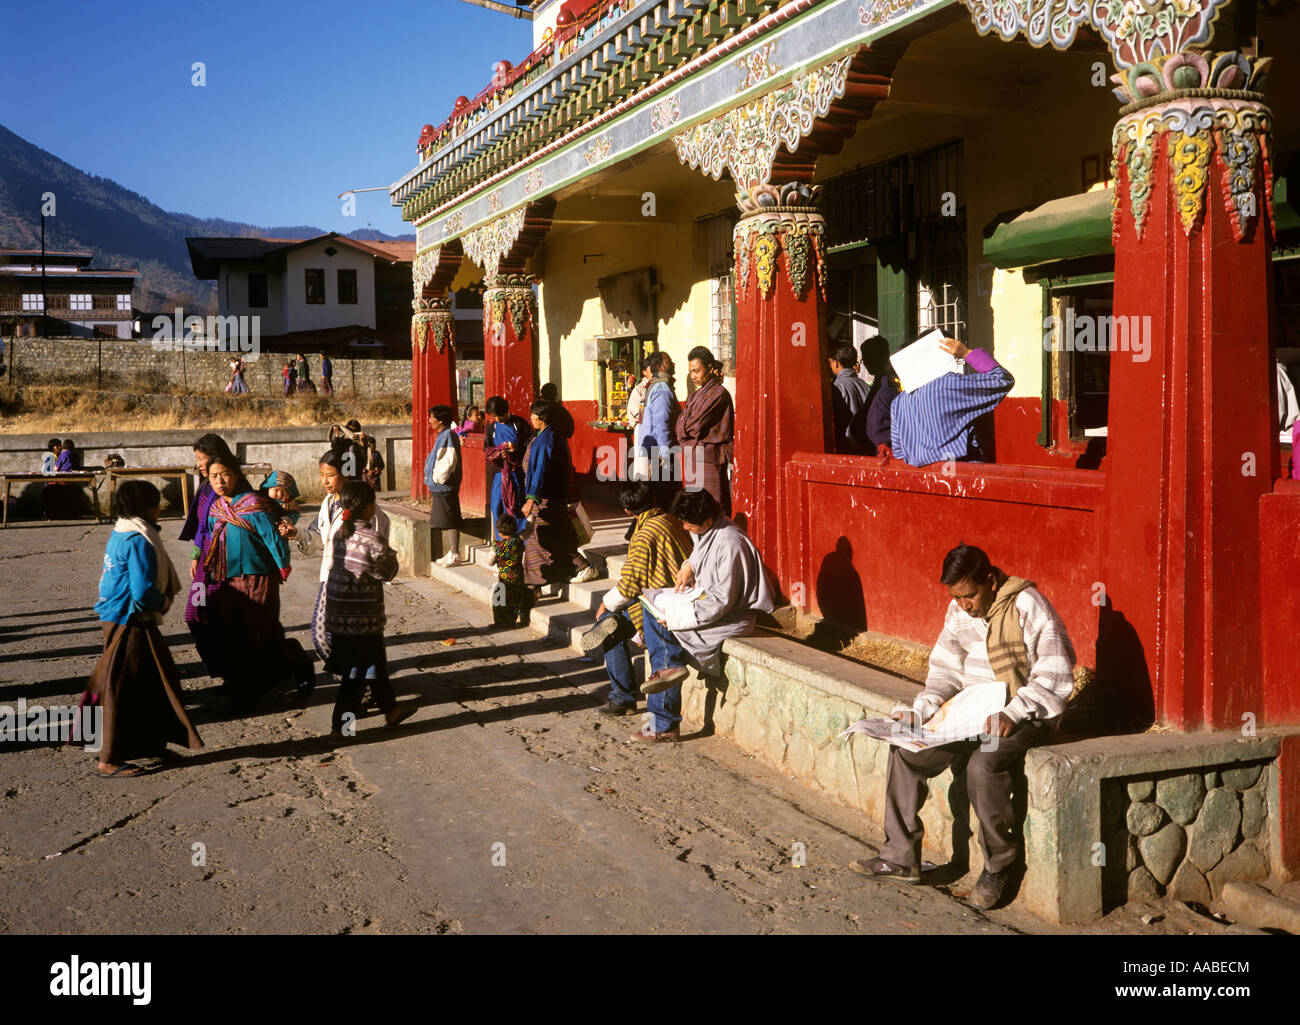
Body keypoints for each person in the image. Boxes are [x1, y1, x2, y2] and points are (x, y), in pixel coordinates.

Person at [856, 543, 1076, 910]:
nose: (964, 604)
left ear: (990, 581)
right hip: (968, 712)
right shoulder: (958, 611)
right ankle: (899, 857)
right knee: (906, 751)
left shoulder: (1027, 604)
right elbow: (945, 670)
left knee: (982, 764)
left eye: (970, 595)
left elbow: (1056, 671)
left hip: (1022, 713)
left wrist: (1014, 711)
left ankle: (998, 864)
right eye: (956, 597)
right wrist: (923, 708)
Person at [633, 488, 776, 742]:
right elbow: (700, 555)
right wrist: (689, 564)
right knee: (649, 604)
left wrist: (677, 616)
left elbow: (721, 602)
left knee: (662, 629)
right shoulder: (712, 530)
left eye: (689, 524)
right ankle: (664, 667)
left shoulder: (731, 542)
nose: (685, 528)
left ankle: (664, 720)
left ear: (708, 521)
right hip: (707, 605)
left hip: (729, 618)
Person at [83, 480, 202, 777]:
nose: (159, 509)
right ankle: (108, 758)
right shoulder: (138, 539)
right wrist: (161, 602)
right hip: (131, 619)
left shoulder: (121, 532)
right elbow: (143, 589)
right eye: (155, 503)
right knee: (121, 689)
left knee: (150, 683)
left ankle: (149, 744)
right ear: (144, 507)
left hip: (117, 615)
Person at [203, 453, 313, 710]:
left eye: (225, 474)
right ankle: (246, 684)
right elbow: (211, 541)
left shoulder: (255, 504)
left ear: (237, 475)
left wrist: (283, 565)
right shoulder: (216, 508)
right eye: (213, 476)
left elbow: (272, 537)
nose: (219, 481)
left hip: (259, 575)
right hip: (227, 579)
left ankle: (291, 663)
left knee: (259, 631)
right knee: (236, 633)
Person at [580, 481, 692, 718]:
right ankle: (613, 626)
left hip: (663, 603)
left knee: (610, 623)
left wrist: (604, 604)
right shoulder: (669, 520)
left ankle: (623, 699)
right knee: (612, 622)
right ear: (651, 501)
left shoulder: (644, 535)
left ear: (627, 512)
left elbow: (631, 583)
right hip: (675, 593)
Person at [325, 480, 415, 741]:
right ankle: (340, 730)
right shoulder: (372, 539)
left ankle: (392, 710)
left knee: (376, 664)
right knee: (355, 677)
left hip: (340, 617)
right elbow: (387, 571)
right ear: (369, 508)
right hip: (362, 619)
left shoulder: (340, 534)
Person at [870, 338, 1014, 467]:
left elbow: (900, 452)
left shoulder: (898, 403)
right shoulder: (950, 384)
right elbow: (1003, 379)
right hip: (962, 473)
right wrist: (966, 353)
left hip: (924, 482)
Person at [179, 433, 240, 679]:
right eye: (198, 459)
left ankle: (228, 670)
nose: (200, 465)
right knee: (196, 613)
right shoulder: (206, 487)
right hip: (205, 563)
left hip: (224, 563)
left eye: (203, 458)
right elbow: (200, 528)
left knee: (213, 616)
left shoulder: (231, 490)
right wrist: (195, 556)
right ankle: (220, 667)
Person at [521, 400, 598, 588]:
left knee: (544, 538)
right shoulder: (551, 435)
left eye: (533, 414)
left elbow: (540, 471)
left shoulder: (546, 440)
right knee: (552, 537)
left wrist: (531, 499)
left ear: (543, 417)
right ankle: (550, 573)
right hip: (552, 497)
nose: (530, 418)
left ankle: (576, 568)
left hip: (546, 498)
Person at [675, 346, 734, 516]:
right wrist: (684, 423)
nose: (693, 376)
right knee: (694, 511)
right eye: (691, 371)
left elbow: (694, 425)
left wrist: (684, 421)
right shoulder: (696, 395)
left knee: (712, 511)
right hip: (693, 456)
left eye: (697, 371)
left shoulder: (718, 393)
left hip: (710, 458)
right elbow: (680, 428)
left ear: (709, 368)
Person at [483, 395, 532, 539]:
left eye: (498, 416)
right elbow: (487, 448)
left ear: (506, 411)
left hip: (516, 473)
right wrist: (498, 453)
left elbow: (531, 444)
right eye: (493, 417)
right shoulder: (491, 426)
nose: (497, 419)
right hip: (499, 474)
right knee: (496, 507)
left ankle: (519, 544)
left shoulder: (519, 424)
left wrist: (516, 449)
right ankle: (501, 545)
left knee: (514, 507)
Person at [424, 405, 464, 567]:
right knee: (448, 518)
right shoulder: (444, 435)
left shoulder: (447, 436)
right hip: (441, 485)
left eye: (432, 417)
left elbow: (448, 461)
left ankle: (454, 553)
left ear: (440, 420)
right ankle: (452, 551)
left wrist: (438, 479)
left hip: (445, 485)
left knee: (450, 519)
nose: (430, 420)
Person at [638, 351, 680, 482]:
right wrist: (664, 453)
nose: (673, 363)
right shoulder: (662, 387)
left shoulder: (653, 385)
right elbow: (662, 424)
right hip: (660, 454)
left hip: (652, 449)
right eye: (668, 361)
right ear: (660, 367)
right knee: (664, 496)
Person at [485, 514, 534, 628]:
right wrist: (530, 516)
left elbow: (489, 562)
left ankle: (500, 622)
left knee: (498, 600)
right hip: (518, 575)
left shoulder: (497, 546)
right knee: (515, 598)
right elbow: (529, 529)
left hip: (504, 578)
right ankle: (512, 619)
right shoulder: (519, 539)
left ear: (500, 532)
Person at [829, 342, 872, 455]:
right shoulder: (865, 386)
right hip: (867, 448)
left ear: (836, 363)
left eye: (830, 362)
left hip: (848, 450)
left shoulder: (837, 387)